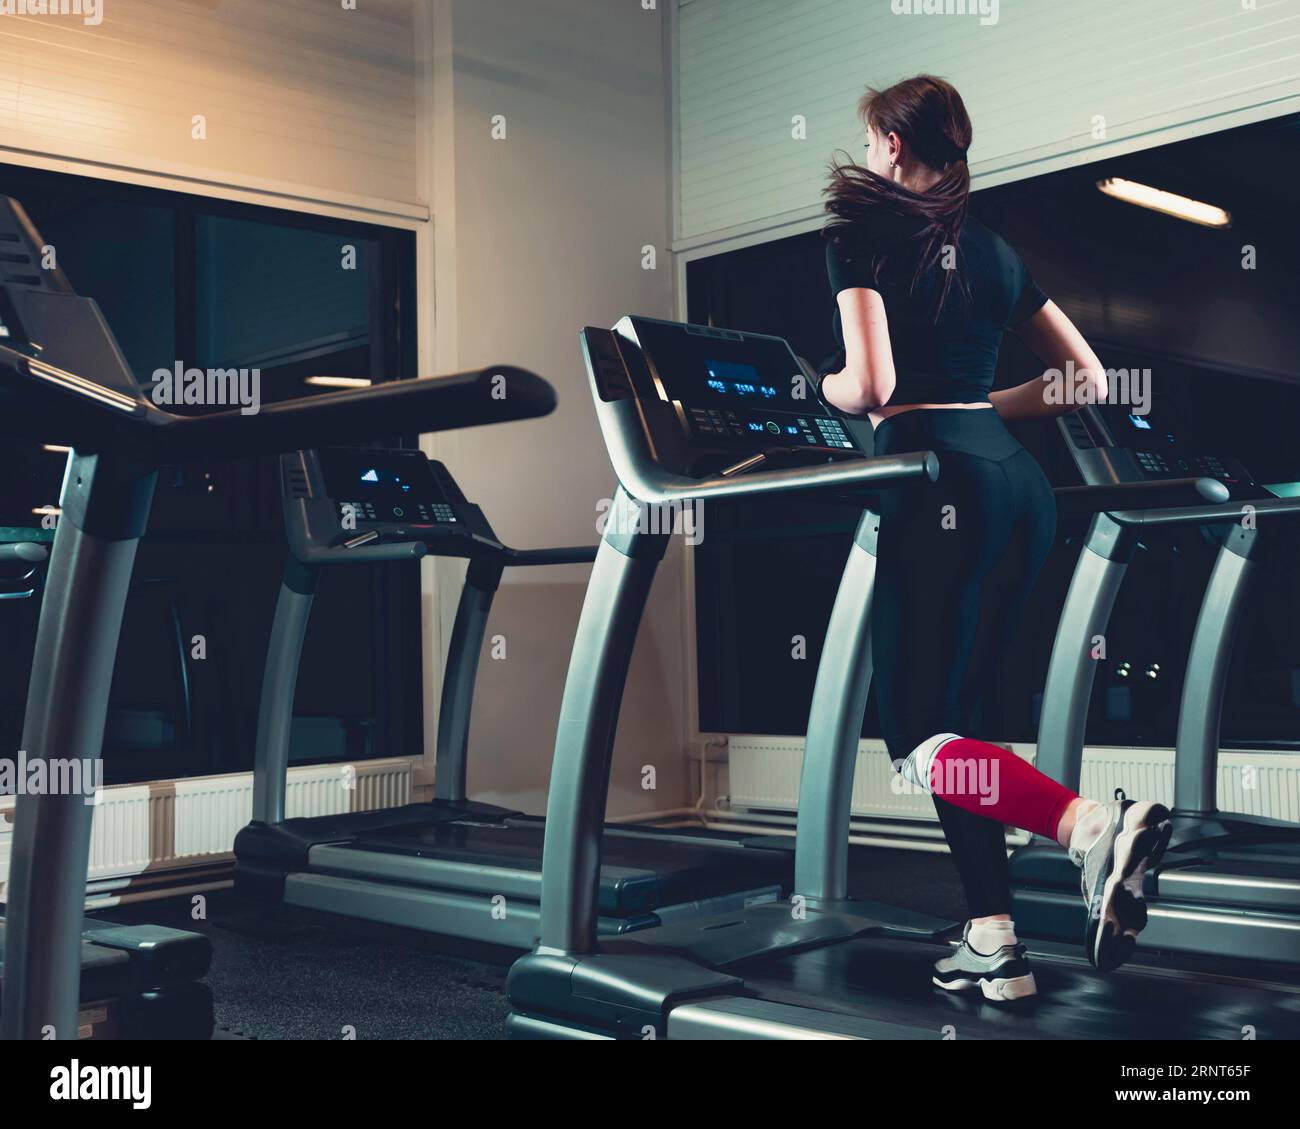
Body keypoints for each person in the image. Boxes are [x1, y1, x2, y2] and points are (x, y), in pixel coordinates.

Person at [817, 75, 1172, 1001]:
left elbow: (871, 382)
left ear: (893, 144)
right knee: (961, 726)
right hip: (1018, 486)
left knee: (916, 733)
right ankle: (992, 937)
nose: (865, 151)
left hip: (937, 483)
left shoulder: (859, 233)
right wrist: (985, 404)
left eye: (870, 136)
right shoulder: (994, 250)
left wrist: (814, 388)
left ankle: (1090, 827)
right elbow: (1086, 380)